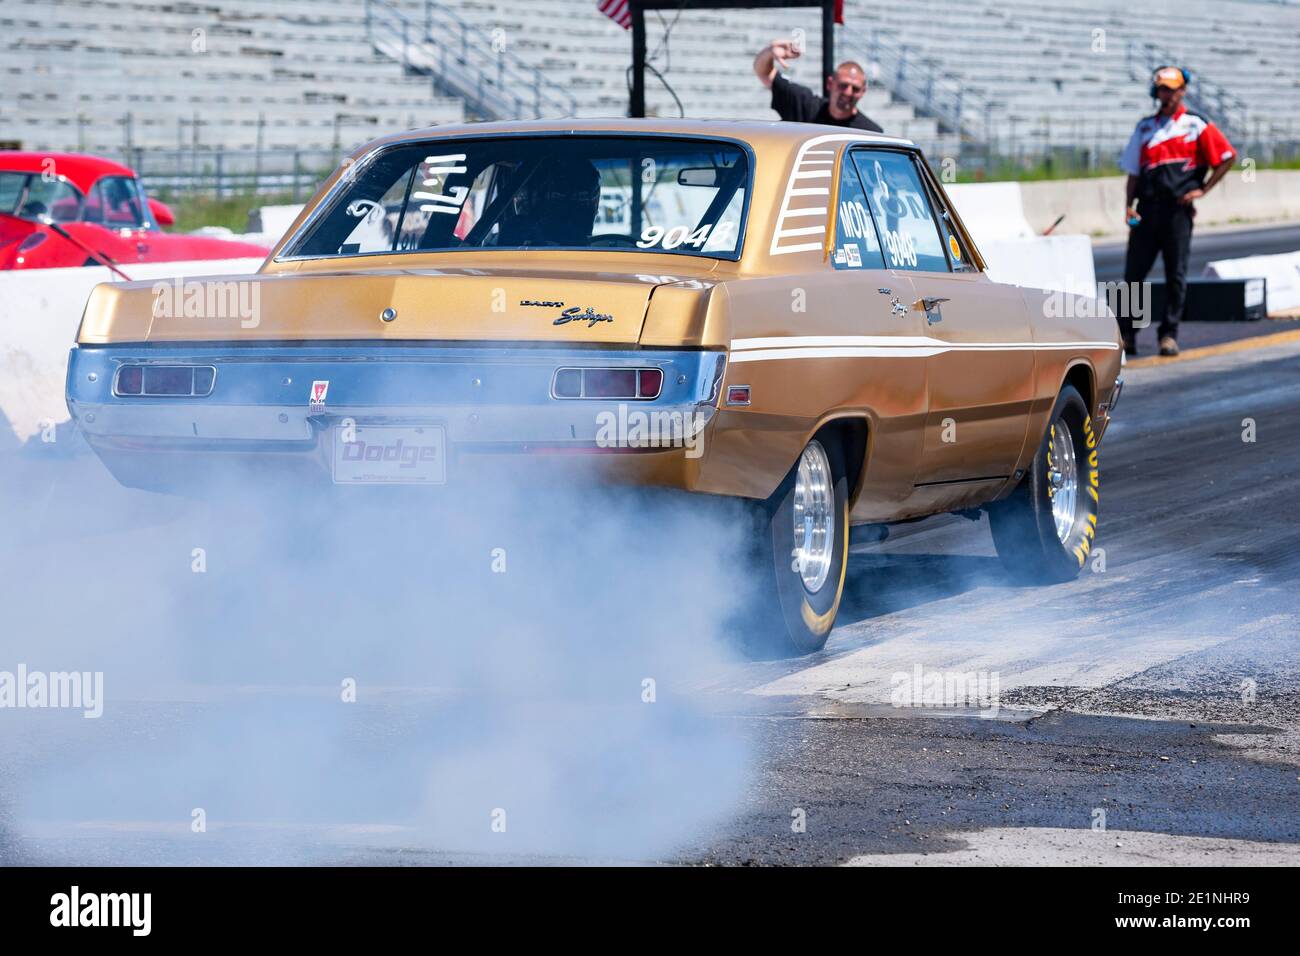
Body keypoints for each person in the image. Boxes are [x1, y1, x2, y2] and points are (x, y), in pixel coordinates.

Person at [1119, 66, 1236, 356]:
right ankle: (1126, 334)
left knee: (1176, 274)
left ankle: (1168, 335)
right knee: (1133, 274)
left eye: (1171, 89)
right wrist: (1128, 206)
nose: (1166, 94)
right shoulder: (1145, 127)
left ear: (1182, 91)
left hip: (1177, 212)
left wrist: (1204, 189)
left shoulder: (1195, 124)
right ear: (1156, 92)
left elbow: (1226, 157)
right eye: (1162, 89)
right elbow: (1133, 171)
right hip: (1146, 211)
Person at [753, 39, 882, 132]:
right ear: (830, 84)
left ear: (863, 92)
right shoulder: (805, 106)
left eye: (855, 89)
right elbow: (764, 72)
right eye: (843, 85)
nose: (848, 92)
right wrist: (770, 52)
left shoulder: (870, 133)